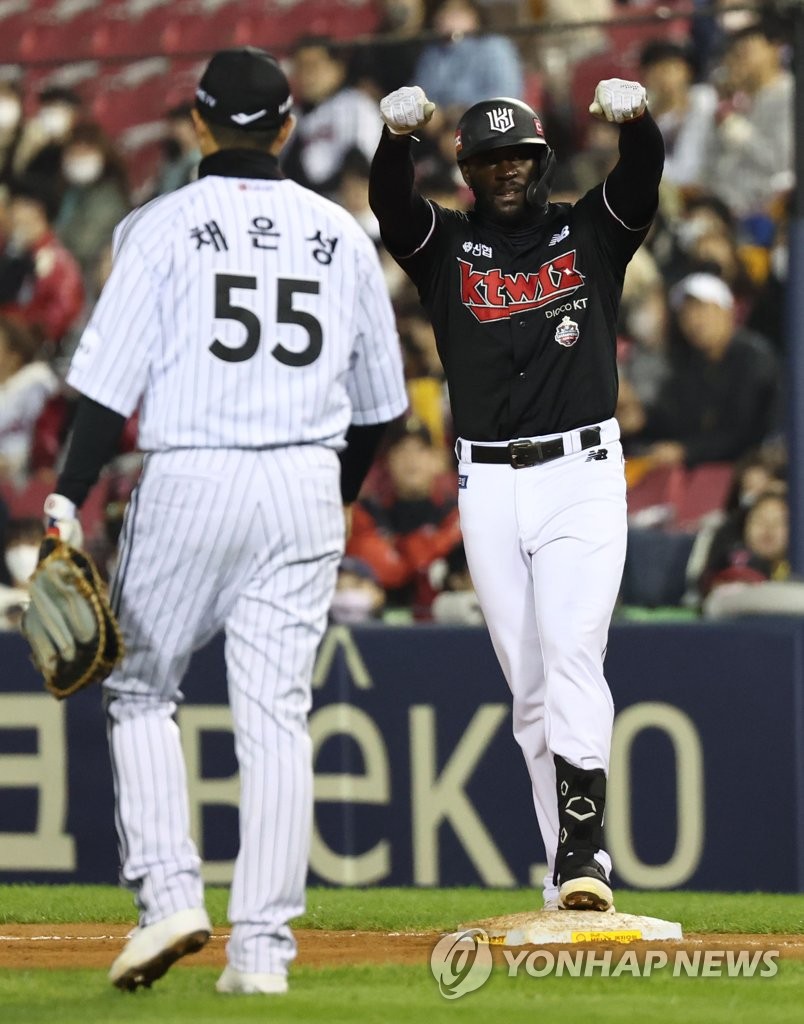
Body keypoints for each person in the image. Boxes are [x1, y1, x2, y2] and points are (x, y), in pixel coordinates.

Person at [40, 46, 407, 994]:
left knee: (139, 690)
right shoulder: (341, 232)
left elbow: (105, 391)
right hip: (304, 480)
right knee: (277, 716)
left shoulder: (158, 225)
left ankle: (169, 896)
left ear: (199, 122)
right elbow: (382, 409)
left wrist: (65, 496)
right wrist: (332, 494)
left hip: (192, 473)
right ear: (286, 127)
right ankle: (263, 954)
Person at [369, 77, 664, 911]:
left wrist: (639, 124)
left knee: (572, 652)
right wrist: (395, 143)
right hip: (488, 483)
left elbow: (641, 179)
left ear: (542, 163)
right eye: (492, 159)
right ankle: (565, 871)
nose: (508, 170)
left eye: (521, 157)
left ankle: (586, 847)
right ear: (467, 172)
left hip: (581, 473)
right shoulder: (448, 247)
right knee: (531, 692)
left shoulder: (589, 231)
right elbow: (392, 207)